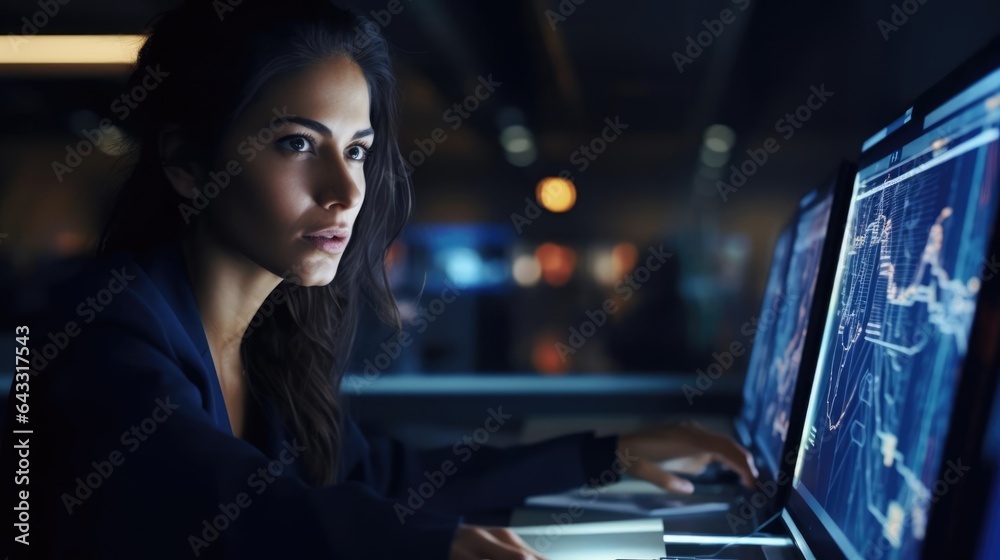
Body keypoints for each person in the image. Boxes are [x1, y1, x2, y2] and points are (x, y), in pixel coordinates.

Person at [2, 1, 757, 558]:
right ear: (189, 164)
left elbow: (384, 478)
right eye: (298, 143)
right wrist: (434, 551)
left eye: (358, 150)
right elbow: (223, 503)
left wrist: (605, 457)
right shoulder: (95, 330)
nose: (344, 191)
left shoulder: (269, 348)